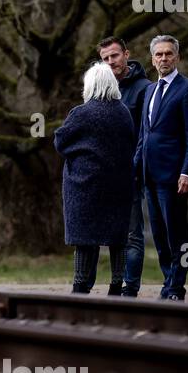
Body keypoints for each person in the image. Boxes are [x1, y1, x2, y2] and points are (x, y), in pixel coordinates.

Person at [133, 35, 188, 301]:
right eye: (159, 55)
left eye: (168, 54)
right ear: (152, 59)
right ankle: (168, 284)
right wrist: (135, 168)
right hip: (149, 176)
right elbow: (144, 134)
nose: (164, 58)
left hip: (174, 177)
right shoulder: (149, 91)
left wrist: (187, 172)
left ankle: (176, 288)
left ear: (177, 57)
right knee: (160, 237)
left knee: (177, 234)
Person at [53, 62, 136, 294]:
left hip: (85, 186)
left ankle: (81, 285)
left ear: (90, 85)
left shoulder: (81, 113)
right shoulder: (124, 112)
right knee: (117, 239)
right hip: (119, 186)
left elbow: (60, 142)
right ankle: (116, 285)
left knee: (85, 239)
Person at [97, 37, 152, 296]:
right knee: (111, 234)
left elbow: (146, 134)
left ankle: (131, 288)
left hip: (130, 172)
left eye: (115, 56)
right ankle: (116, 284)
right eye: (106, 58)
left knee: (132, 233)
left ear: (126, 54)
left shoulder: (145, 89)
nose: (111, 62)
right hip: (104, 173)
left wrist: (134, 167)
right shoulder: (100, 89)